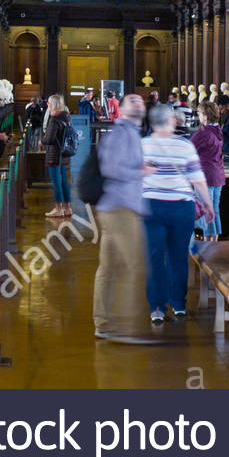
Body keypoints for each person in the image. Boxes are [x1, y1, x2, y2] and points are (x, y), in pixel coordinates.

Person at [89, 92, 158, 344]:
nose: (138, 103)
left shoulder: (133, 134)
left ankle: (104, 323)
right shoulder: (120, 133)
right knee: (135, 266)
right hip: (121, 209)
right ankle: (128, 327)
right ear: (121, 108)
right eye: (132, 100)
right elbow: (111, 168)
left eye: (140, 100)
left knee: (109, 268)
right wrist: (140, 170)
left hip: (116, 207)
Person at [141, 103, 214, 322]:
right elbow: (198, 179)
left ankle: (156, 308)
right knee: (178, 256)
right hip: (181, 207)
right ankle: (178, 304)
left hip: (151, 206)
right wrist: (209, 205)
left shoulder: (143, 145)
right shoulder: (185, 146)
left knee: (154, 257)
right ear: (171, 121)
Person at [190, 101, 225, 242]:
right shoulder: (218, 130)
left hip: (205, 175)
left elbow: (189, 148)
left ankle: (208, 246)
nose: (198, 116)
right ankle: (214, 241)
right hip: (218, 174)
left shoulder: (203, 132)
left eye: (199, 113)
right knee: (214, 209)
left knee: (206, 211)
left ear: (205, 116)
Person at [43, 93, 73, 218]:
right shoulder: (65, 117)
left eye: (49, 103)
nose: (47, 104)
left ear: (53, 104)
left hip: (54, 155)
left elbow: (49, 138)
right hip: (64, 154)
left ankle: (58, 208)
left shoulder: (54, 119)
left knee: (56, 182)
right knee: (64, 181)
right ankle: (68, 207)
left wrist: (42, 141)